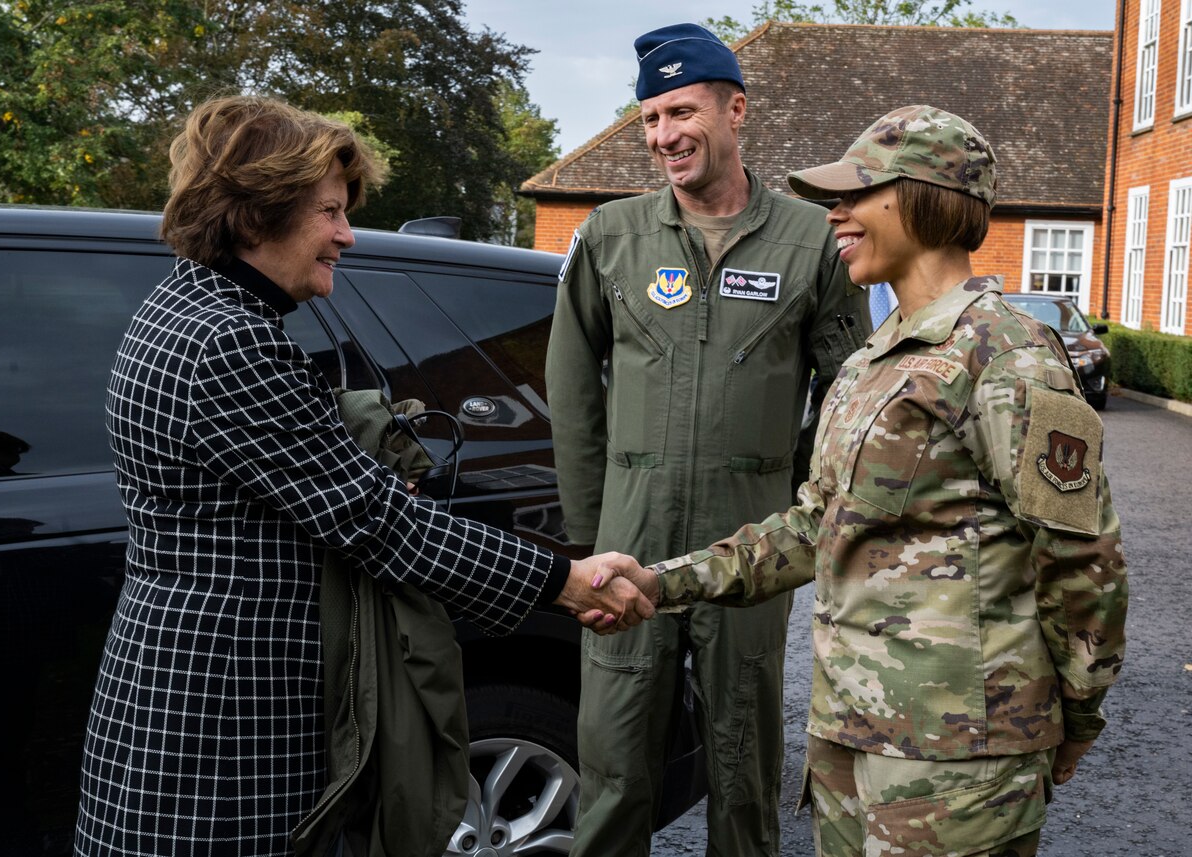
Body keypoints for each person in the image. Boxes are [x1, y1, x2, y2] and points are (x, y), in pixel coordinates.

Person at [75, 95, 653, 857]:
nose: (346, 235)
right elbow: (375, 522)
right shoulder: (229, 341)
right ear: (254, 215)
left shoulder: (186, 308)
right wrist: (565, 580)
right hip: (219, 714)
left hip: (181, 687)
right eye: (327, 212)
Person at [639, 105, 1129, 857]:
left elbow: (1082, 558)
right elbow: (813, 526)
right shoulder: (872, 360)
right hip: (849, 741)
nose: (835, 213)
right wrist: (657, 583)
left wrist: (1075, 715)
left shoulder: (1005, 351)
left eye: (857, 194)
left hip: (958, 762)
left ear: (926, 196)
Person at [545, 23, 869, 857]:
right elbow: (574, 389)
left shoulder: (812, 242)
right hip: (628, 539)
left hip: (749, 544)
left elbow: (846, 395)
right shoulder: (612, 235)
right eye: (651, 119)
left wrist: (802, 505)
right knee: (614, 771)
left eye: (681, 112)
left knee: (743, 768)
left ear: (736, 111)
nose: (664, 137)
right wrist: (588, 530)